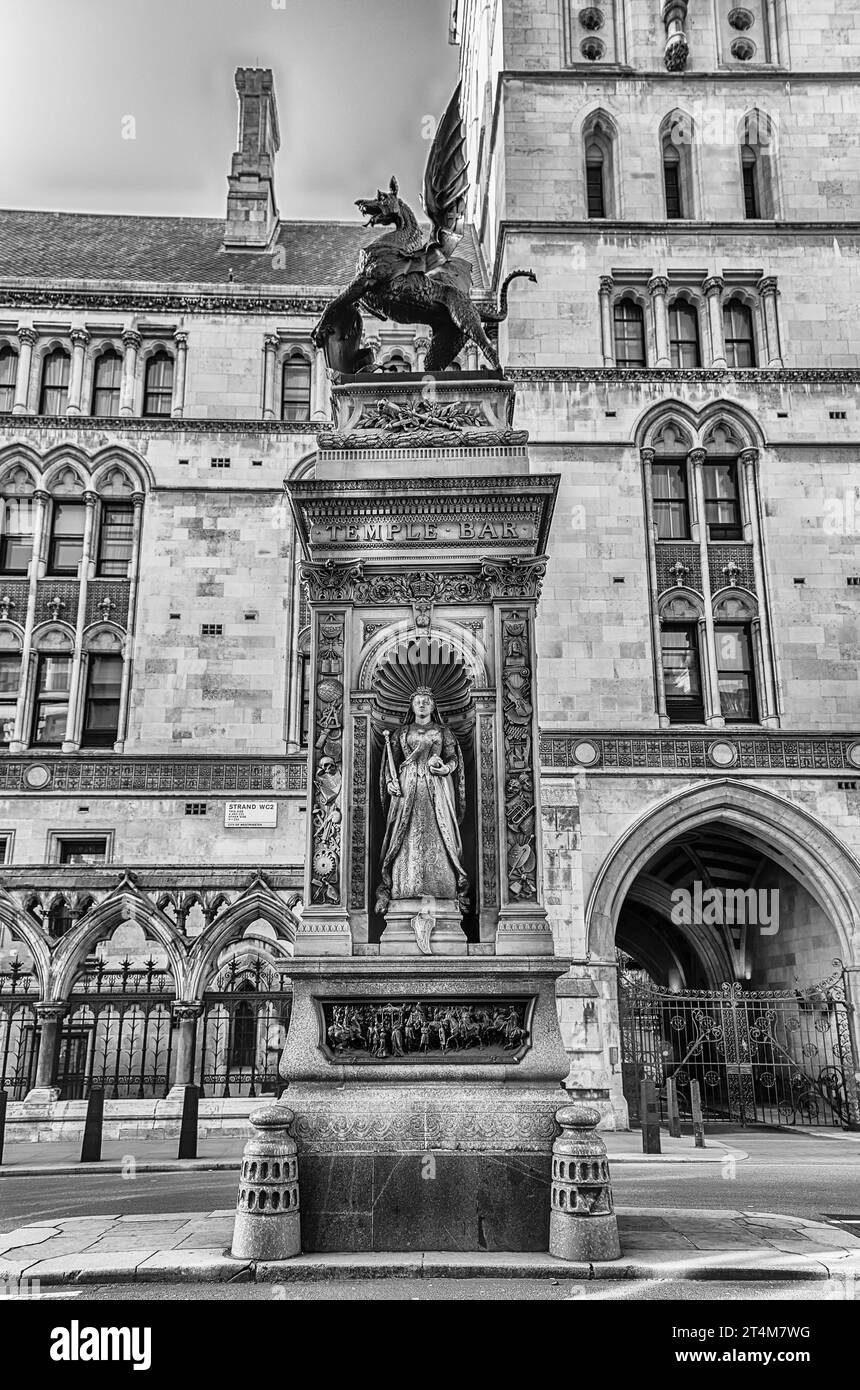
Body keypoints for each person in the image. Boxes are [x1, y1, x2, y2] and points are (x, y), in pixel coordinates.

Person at [375, 687, 468, 915]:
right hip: (407, 788)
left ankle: (444, 885)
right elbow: (390, 765)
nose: (423, 704)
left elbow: (453, 757)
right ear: (412, 705)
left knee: (440, 832)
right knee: (404, 833)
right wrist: (390, 783)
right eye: (418, 701)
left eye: (427, 701)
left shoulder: (443, 731)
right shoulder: (400, 733)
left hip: (436, 785)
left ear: (433, 706)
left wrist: (446, 767)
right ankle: (403, 885)